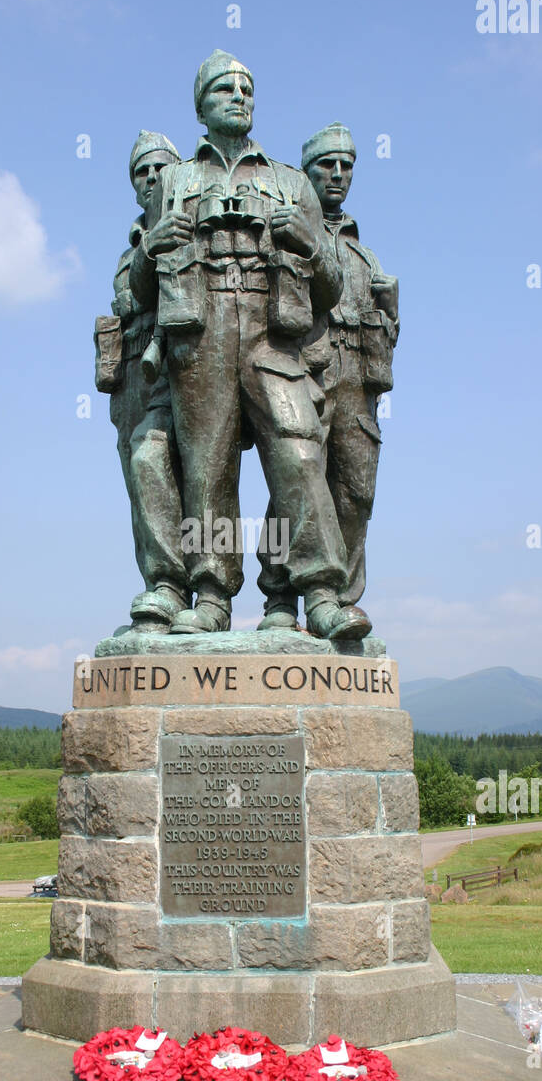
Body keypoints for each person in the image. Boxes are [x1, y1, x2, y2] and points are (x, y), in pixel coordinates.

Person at [129, 51, 370, 640]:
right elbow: (141, 293)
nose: (238, 97)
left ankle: (317, 591)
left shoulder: (290, 182)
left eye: (247, 89)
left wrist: (311, 246)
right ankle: (211, 594)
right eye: (223, 90)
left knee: (299, 452)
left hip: (271, 336)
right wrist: (148, 249)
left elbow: (331, 287)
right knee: (207, 468)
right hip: (200, 333)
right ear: (200, 105)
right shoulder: (175, 181)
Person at [257, 123, 399, 631]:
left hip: (359, 377)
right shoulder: (289, 228)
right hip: (307, 369)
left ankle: (340, 599)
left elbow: (388, 329)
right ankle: (279, 597)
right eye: (326, 164)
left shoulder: (365, 255)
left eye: (347, 165)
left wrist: (392, 308)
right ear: (305, 171)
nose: (338, 174)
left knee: (356, 491)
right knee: (294, 480)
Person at [94, 131, 190, 630]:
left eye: (160, 169)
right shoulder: (129, 248)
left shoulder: (191, 230)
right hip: (133, 373)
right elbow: (127, 304)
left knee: (180, 473)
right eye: (142, 172)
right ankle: (161, 587)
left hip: (184, 369)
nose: (152, 179)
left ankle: (187, 586)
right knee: (142, 482)